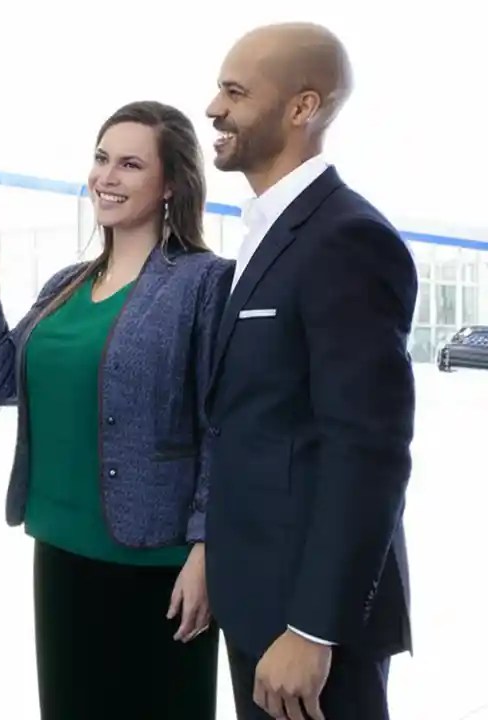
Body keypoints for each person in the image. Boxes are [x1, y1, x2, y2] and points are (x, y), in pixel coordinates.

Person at [0, 100, 234, 719]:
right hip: (60, 548)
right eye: (102, 158)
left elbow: (220, 425)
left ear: (171, 183)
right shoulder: (67, 284)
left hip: (159, 563)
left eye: (130, 164)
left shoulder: (205, 282)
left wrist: (207, 550)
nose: (107, 176)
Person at [203, 23, 416, 720]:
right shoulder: (268, 232)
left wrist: (313, 629)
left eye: (235, 92)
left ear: (303, 107)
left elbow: (368, 450)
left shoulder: (347, 238)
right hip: (259, 603)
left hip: (310, 631)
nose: (213, 108)